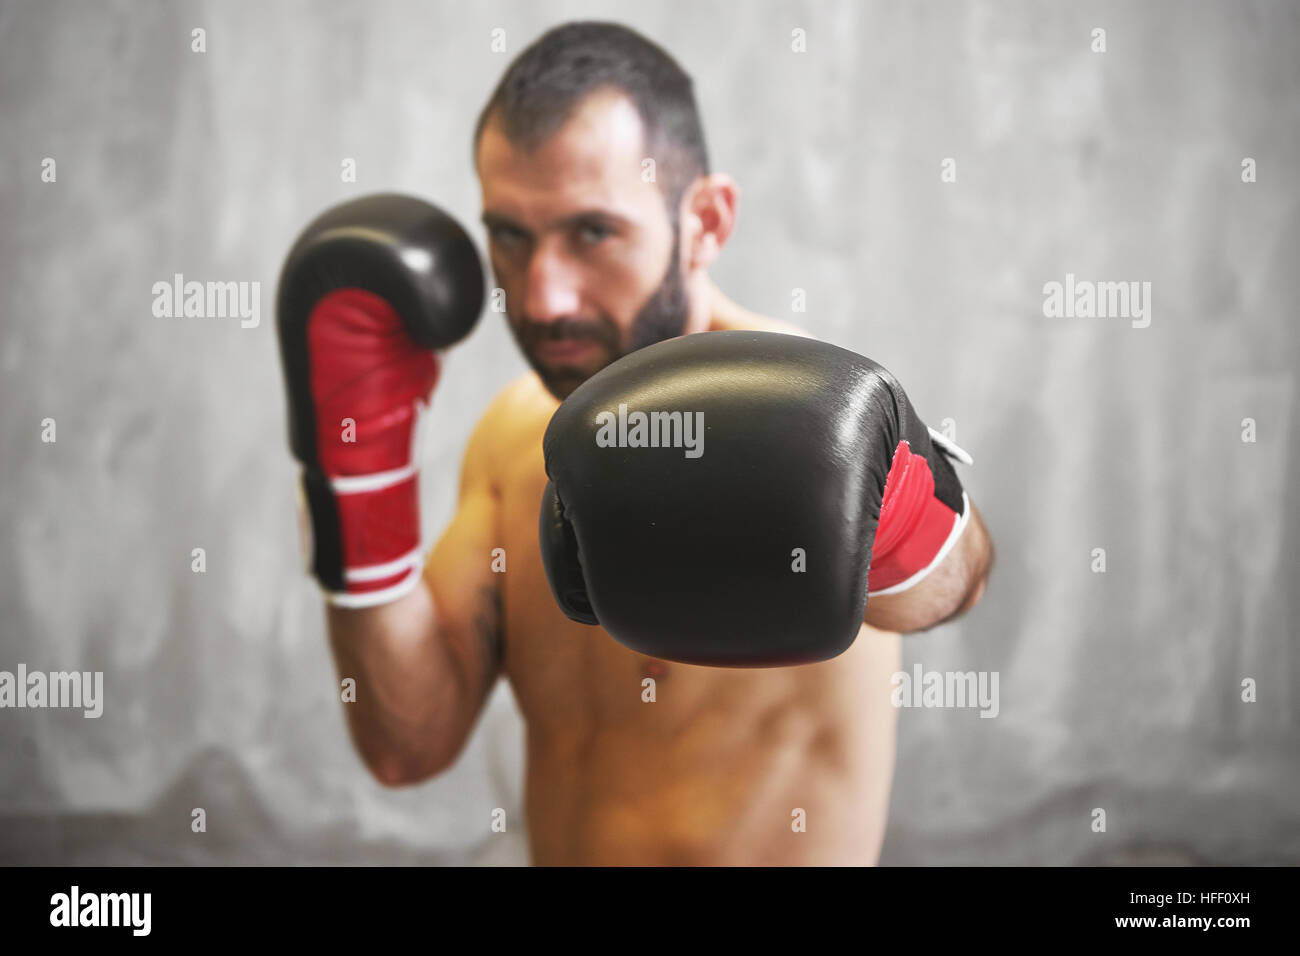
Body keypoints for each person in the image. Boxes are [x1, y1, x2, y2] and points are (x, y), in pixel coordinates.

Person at [276, 21, 993, 865]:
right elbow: (408, 744)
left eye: (592, 232)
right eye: (510, 234)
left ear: (707, 221)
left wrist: (903, 516)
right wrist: (356, 485)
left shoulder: (807, 418)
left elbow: (958, 583)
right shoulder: (514, 439)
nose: (542, 297)